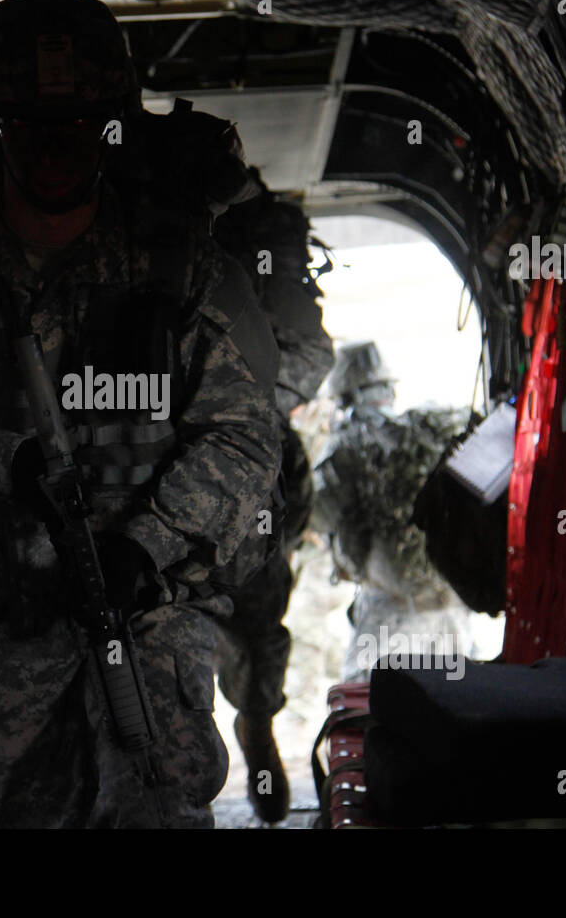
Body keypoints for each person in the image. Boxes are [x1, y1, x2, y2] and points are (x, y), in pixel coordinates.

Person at [0, 0, 282, 828]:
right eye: (27, 123)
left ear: (113, 124)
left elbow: (245, 440)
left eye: (79, 123)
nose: (55, 146)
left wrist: (148, 547)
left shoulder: (177, 270)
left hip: (150, 635)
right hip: (7, 631)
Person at [211, 183, 333, 822]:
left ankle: (230, 725)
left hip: (209, 439)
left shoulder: (179, 244)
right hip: (261, 444)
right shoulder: (287, 356)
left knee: (175, 611)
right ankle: (254, 713)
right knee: (257, 608)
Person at [309, 342, 475, 684]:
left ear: (345, 395)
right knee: (457, 701)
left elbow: (317, 516)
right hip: (452, 605)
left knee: (367, 705)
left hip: (391, 611)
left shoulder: (346, 445)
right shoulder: (426, 434)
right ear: (388, 389)